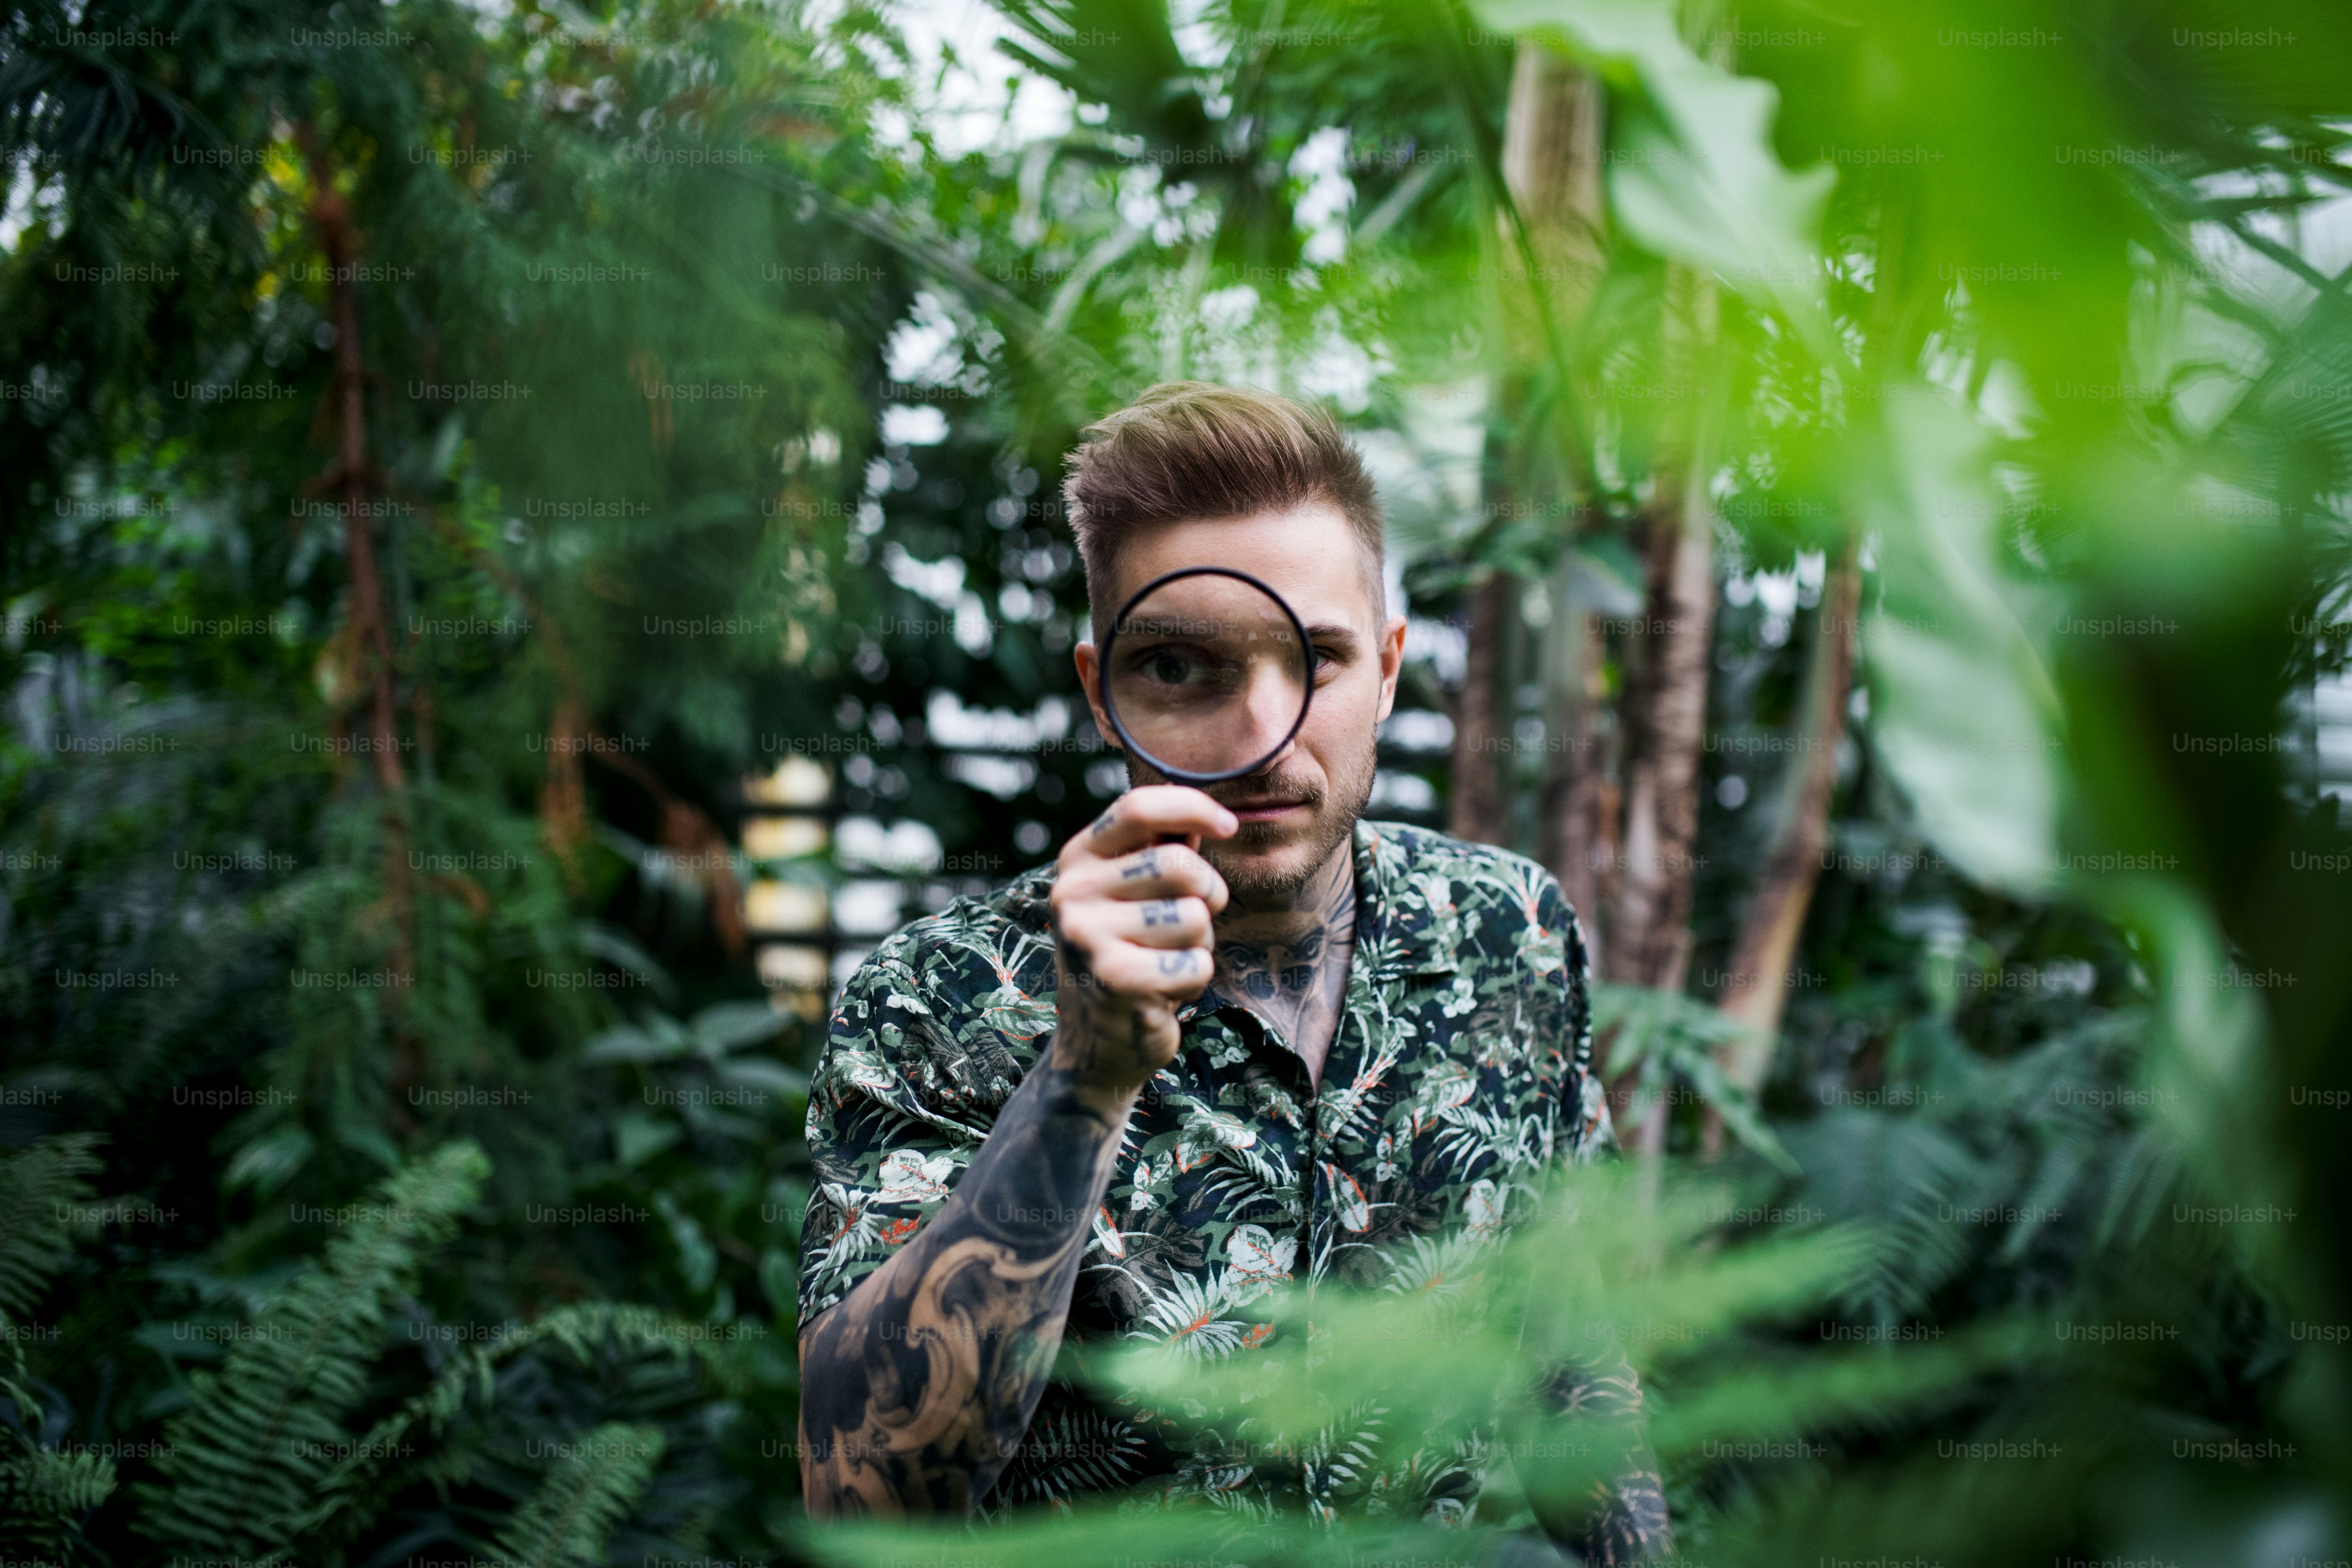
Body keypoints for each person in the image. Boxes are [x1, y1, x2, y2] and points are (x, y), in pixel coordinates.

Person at [794, 381, 1671, 1560]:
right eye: (1180, 667)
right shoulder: (934, 1001)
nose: (1265, 732)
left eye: (1317, 656)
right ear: (1103, 690)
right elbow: (861, 1495)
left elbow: (1579, 1365)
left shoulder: (1509, 934)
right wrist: (1082, 1079)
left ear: (1392, 670)